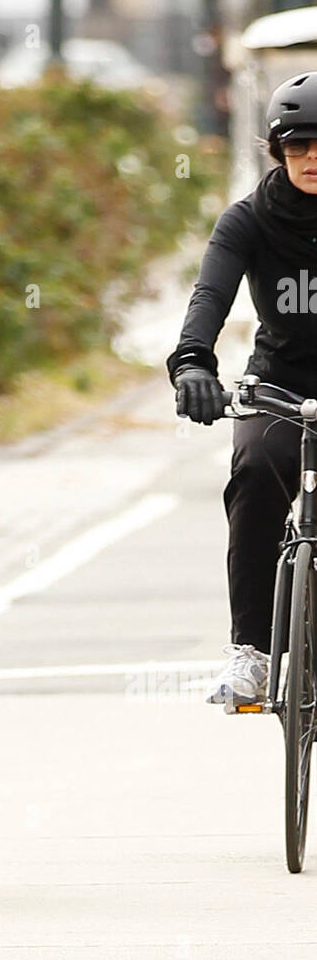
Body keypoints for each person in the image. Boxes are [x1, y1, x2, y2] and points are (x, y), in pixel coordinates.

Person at [168, 72, 317, 707]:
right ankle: (252, 652)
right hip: (279, 387)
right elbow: (209, 296)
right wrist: (193, 364)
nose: (312, 159)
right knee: (256, 469)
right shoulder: (248, 220)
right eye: (298, 145)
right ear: (278, 149)